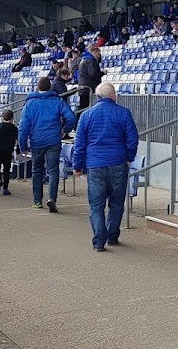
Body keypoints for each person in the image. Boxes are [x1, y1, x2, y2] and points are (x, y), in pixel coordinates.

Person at [72, 83, 140, 252]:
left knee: (96, 205)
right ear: (113, 95)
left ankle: (98, 241)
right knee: (116, 203)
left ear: (98, 96)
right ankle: (112, 235)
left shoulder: (86, 115)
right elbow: (132, 139)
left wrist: (77, 165)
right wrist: (129, 158)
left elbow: (79, 144)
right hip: (118, 163)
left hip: (95, 165)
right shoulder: (124, 113)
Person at [19, 76, 78, 210]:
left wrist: (23, 146)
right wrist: (65, 130)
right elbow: (71, 117)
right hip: (53, 140)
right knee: (53, 170)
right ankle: (52, 198)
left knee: (37, 170)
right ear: (50, 87)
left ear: (37, 88)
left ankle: (37, 200)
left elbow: (23, 126)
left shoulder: (30, 103)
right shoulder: (57, 101)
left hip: (37, 141)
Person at [0, 109, 19, 196]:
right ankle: (5, 188)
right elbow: (18, 140)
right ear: (12, 118)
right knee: (7, 169)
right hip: (9, 151)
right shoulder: (14, 129)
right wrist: (18, 150)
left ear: (2, 117)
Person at [78, 44, 105, 110]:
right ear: (95, 52)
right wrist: (102, 73)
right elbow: (93, 74)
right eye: (99, 53)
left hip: (84, 88)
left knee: (83, 108)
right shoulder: (90, 61)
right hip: (89, 88)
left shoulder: (84, 59)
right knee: (86, 108)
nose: (99, 56)